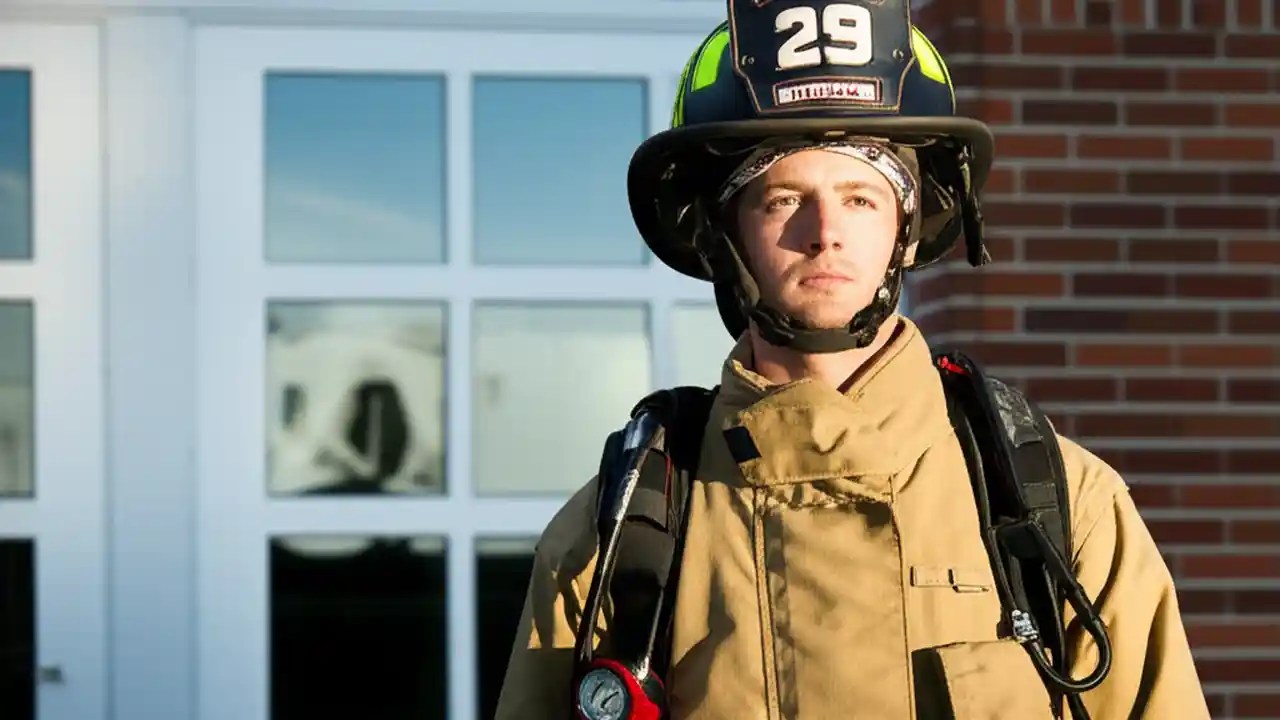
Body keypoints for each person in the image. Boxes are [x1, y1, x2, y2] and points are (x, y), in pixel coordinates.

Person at [494, 1, 1210, 717]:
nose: (825, 232)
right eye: (782, 199)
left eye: (862, 198)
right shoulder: (615, 536)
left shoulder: (1065, 509)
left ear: (906, 229)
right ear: (722, 232)